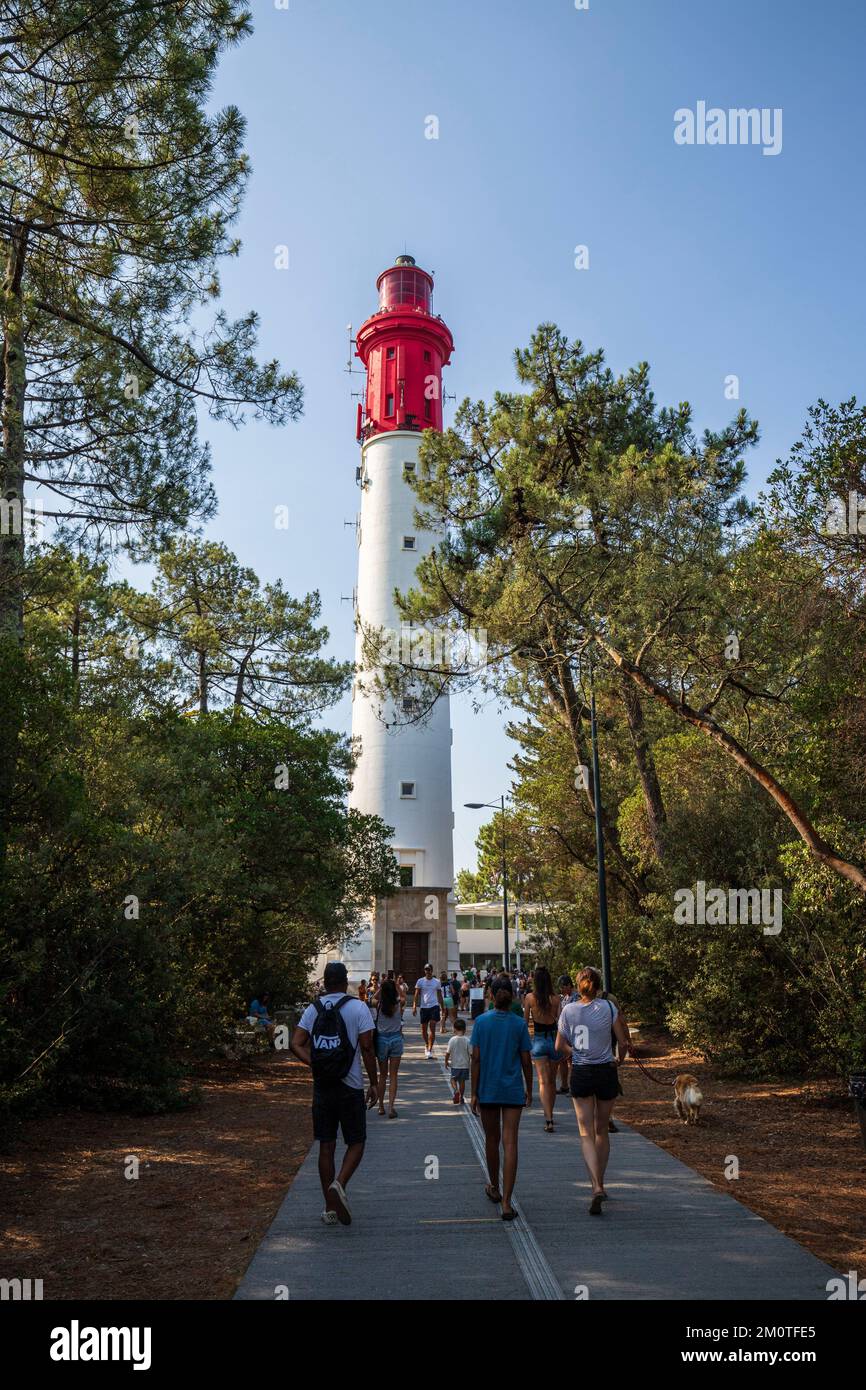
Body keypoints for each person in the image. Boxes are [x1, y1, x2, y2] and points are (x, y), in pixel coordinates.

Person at [291, 961, 377, 1226]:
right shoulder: (358, 1007)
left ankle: (329, 1208)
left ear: (325, 982)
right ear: (345, 981)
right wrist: (374, 1082)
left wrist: (315, 1063)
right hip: (350, 1086)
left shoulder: (313, 1009)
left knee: (326, 1145)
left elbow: (295, 1043)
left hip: (323, 1086)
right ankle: (339, 1183)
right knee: (357, 1141)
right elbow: (367, 1048)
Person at [556, 966, 631, 1216]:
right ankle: (602, 1181)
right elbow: (623, 1041)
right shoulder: (609, 1007)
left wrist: (574, 1052)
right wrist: (619, 1060)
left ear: (578, 986)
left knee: (585, 1132)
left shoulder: (568, 1009)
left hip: (581, 1072)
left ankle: (595, 1186)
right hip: (606, 1071)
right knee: (602, 1131)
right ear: (598, 986)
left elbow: (560, 1045)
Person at [470, 976, 532, 1221]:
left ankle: (493, 1186)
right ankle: (507, 1202)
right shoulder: (518, 1024)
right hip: (512, 1090)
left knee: (491, 1140)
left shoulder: (481, 1023)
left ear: (490, 995)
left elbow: (476, 1059)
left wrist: (473, 1092)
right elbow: (526, 1060)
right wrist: (530, 1088)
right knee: (510, 1143)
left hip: (488, 1089)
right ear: (512, 996)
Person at [523, 966, 561, 1132]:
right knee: (552, 1082)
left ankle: (548, 1118)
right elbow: (561, 1023)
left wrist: (524, 1045)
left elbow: (524, 1023)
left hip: (538, 1040)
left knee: (543, 1082)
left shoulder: (530, 998)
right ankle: (550, 1114)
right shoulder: (556, 999)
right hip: (554, 1040)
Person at [373, 977, 404, 1118]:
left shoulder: (378, 1004)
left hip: (381, 1040)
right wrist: (396, 985)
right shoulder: (399, 1003)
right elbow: (402, 996)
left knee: (382, 1075)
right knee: (393, 1076)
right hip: (396, 1038)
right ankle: (391, 1107)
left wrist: (383, 987)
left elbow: (373, 996)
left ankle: (380, 1107)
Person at [413, 964, 444, 1058]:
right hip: (424, 1007)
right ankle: (426, 1044)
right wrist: (414, 1006)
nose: (427, 971)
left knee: (432, 1027)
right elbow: (416, 994)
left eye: (429, 969)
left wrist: (442, 1007)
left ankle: (430, 1049)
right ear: (424, 970)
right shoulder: (420, 981)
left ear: (432, 970)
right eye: (426, 969)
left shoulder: (437, 982)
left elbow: (439, 995)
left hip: (434, 1006)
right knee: (423, 1030)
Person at [555, 975, 575, 1094]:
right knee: (563, 1059)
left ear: (569, 985)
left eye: (563, 987)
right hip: (564, 1033)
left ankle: (573, 1087)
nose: (561, 990)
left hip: (573, 1034)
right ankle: (564, 1085)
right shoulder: (564, 998)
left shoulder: (576, 997)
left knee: (572, 1060)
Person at [445, 1017, 471, 1105]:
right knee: (462, 1082)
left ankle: (456, 1090)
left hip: (455, 1065)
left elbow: (447, 1053)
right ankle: (461, 1097)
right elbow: (471, 1053)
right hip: (465, 1065)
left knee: (453, 1079)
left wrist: (446, 1061)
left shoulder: (452, 1040)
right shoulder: (467, 1040)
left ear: (454, 1029)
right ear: (465, 1029)